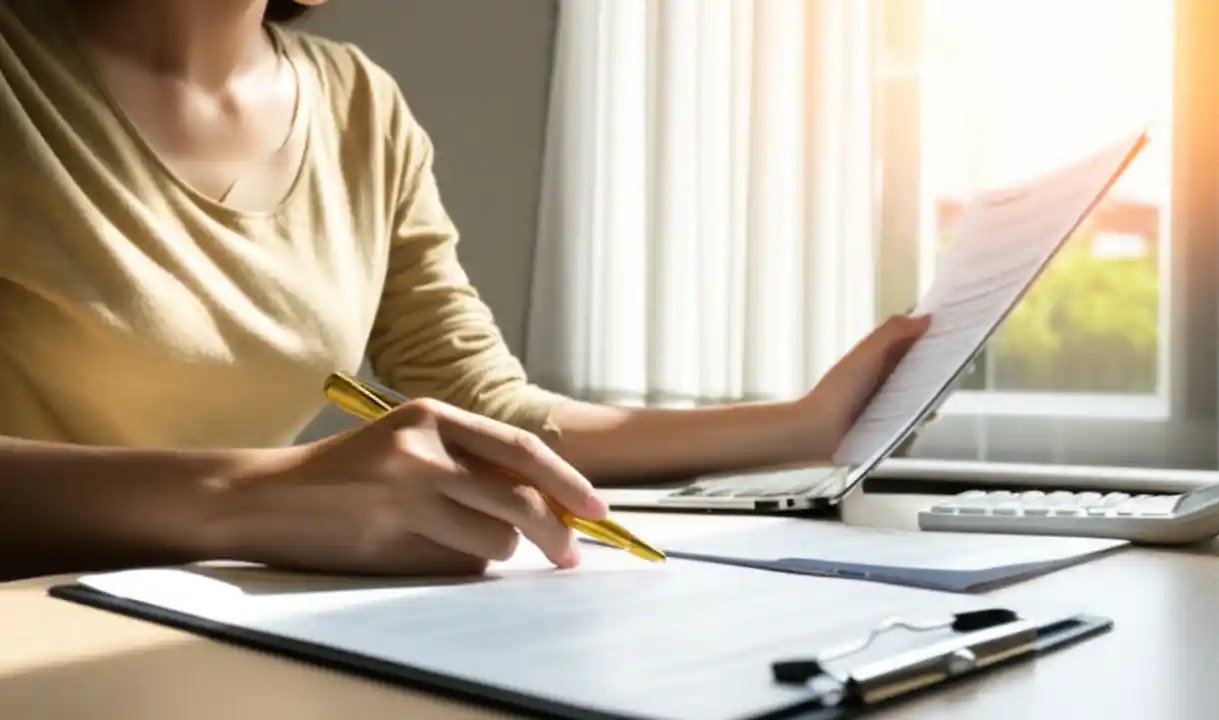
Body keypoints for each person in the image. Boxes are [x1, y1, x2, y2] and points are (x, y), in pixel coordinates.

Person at [0, 0, 929, 582]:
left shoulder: (360, 105)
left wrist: (803, 427)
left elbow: (494, 407)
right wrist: (252, 497)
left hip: (199, 621)